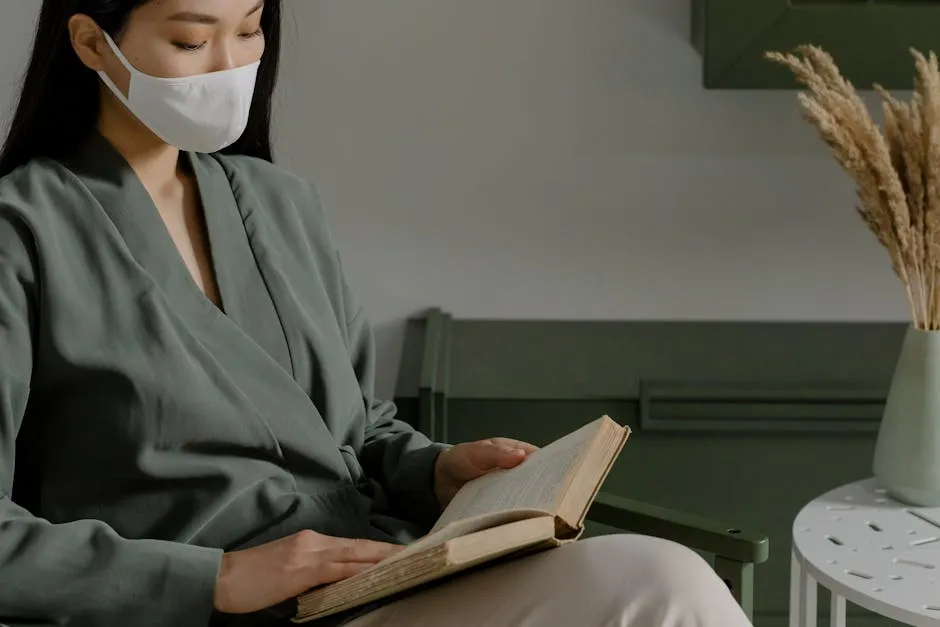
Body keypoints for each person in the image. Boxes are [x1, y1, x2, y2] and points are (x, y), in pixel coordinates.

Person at [0, 1, 754, 626]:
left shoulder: (279, 203)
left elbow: (359, 429)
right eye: (192, 39)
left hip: (377, 574)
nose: (230, 65)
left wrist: (437, 471)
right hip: (217, 611)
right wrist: (216, 577)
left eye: (252, 28)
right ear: (92, 42)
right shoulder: (21, 233)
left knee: (664, 580)